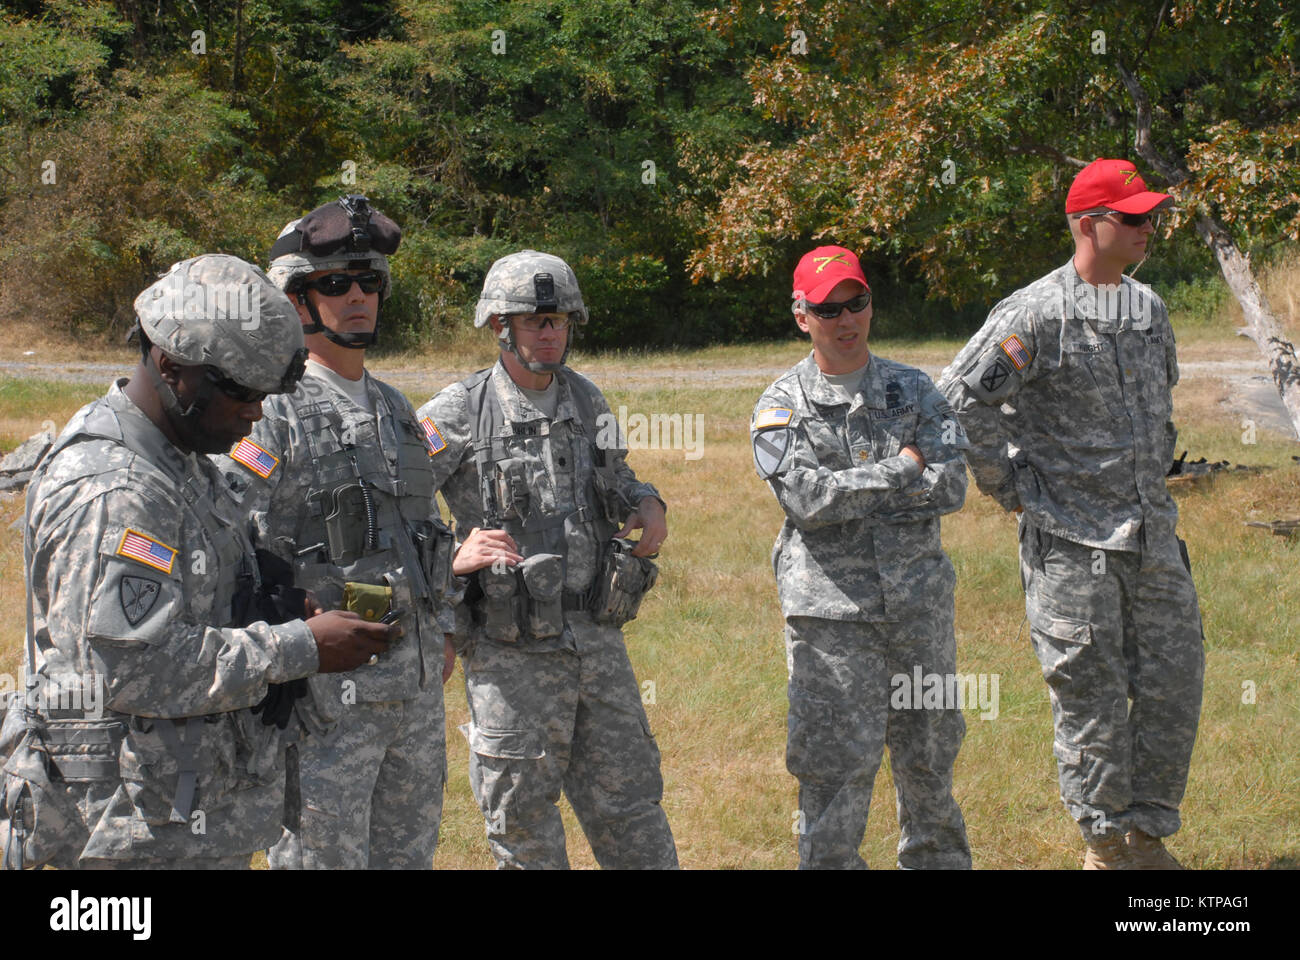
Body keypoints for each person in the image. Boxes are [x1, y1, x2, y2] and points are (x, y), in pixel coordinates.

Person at [0, 254, 394, 870]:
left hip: (176, 810)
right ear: (171, 366)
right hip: (123, 832)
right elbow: (130, 669)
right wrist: (299, 646)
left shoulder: (180, 459)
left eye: (264, 394)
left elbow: (199, 595)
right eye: (239, 391)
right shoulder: (117, 490)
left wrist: (281, 607)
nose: (255, 413)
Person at [938, 158, 1203, 869]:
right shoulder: (1037, 312)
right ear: (1088, 225)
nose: (1150, 228)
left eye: (1152, 215)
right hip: (1073, 546)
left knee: (1175, 690)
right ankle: (1105, 847)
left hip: (1153, 540)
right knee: (1090, 706)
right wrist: (1013, 488)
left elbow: (1160, 407)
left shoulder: (1148, 309)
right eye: (1135, 217)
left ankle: (1147, 839)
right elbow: (961, 402)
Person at [214, 196, 466, 869]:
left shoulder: (394, 407)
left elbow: (421, 533)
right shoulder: (271, 413)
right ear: (297, 301)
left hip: (412, 698)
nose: (358, 296)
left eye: (370, 283)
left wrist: (439, 629)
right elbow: (228, 543)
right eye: (335, 285)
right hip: (325, 705)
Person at [416, 250, 678, 869]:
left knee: (634, 805)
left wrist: (647, 502)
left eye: (559, 320)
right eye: (534, 321)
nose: (550, 333)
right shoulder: (456, 411)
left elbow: (617, 476)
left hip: (597, 639)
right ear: (498, 327)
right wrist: (453, 554)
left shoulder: (588, 401)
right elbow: (396, 505)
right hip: (510, 654)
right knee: (524, 825)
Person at [751, 245, 972, 870]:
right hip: (831, 619)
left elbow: (953, 484)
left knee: (930, 757)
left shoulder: (915, 388)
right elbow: (808, 499)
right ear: (802, 315)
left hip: (917, 610)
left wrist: (857, 484)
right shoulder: (781, 403)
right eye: (828, 309)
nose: (846, 321)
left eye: (857, 304)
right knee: (832, 770)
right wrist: (904, 467)